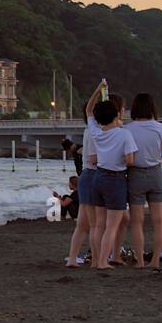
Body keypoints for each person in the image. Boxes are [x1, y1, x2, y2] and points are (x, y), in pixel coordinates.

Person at [124, 94, 162, 269]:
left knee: (137, 222)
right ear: (153, 108)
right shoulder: (161, 128)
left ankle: (140, 261)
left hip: (135, 175)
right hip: (156, 174)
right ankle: (156, 260)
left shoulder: (127, 129)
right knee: (158, 221)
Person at [89, 99, 137, 269]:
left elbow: (89, 110)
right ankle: (103, 262)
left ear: (98, 118)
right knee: (112, 226)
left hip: (98, 177)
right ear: (117, 115)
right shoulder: (124, 134)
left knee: (100, 224)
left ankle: (96, 261)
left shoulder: (96, 132)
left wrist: (98, 89)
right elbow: (130, 160)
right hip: (116, 179)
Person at [67, 83, 105, 268]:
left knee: (82, 224)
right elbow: (94, 158)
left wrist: (97, 90)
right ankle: (97, 261)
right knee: (96, 224)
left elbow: (89, 109)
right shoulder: (100, 132)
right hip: (95, 175)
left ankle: (73, 259)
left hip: (84, 176)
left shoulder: (87, 129)